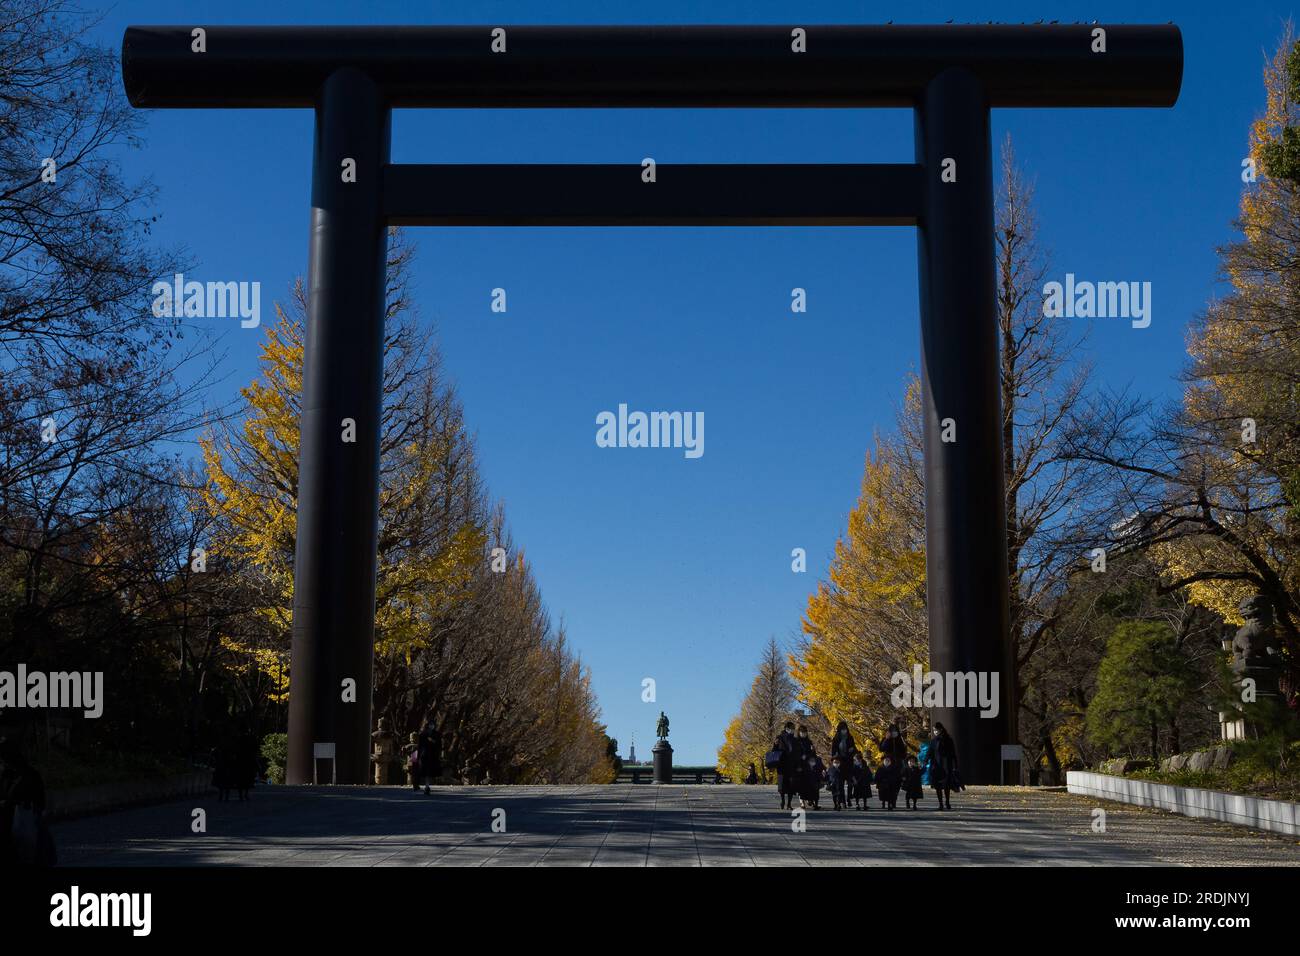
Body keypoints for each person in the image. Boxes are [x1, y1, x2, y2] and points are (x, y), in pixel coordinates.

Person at [0, 735, 54, 866]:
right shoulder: (16, 774)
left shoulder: (23, 775)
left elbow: (39, 801)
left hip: (19, 825)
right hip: (18, 827)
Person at [926, 722, 959, 810]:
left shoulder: (948, 739)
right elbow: (929, 752)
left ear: (940, 729)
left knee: (946, 785)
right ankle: (940, 804)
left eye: (936, 730)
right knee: (938, 786)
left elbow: (953, 753)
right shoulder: (933, 741)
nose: (935, 732)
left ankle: (947, 802)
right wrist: (925, 761)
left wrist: (955, 765)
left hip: (946, 764)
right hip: (936, 766)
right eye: (934, 730)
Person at [775, 721, 800, 810]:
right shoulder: (779, 737)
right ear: (786, 728)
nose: (792, 730)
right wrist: (775, 744)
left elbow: (797, 753)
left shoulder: (795, 739)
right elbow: (774, 750)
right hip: (782, 764)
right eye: (791, 728)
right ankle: (782, 801)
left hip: (792, 765)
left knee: (791, 785)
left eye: (793, 728)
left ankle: (789, 804)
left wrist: (798, 764)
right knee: (782, 785)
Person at [416, 718, 441, 795]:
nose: (431, 726)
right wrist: (418, 756)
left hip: (433, 755)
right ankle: (426, 786)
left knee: (430, 772)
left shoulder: (436, 734)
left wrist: (433, 742)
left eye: (432, 724)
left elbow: (439, 745)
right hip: (425, 755)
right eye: (430, 724)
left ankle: (427, 786)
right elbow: (419, 746)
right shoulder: (423, 734)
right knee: (425, 771)